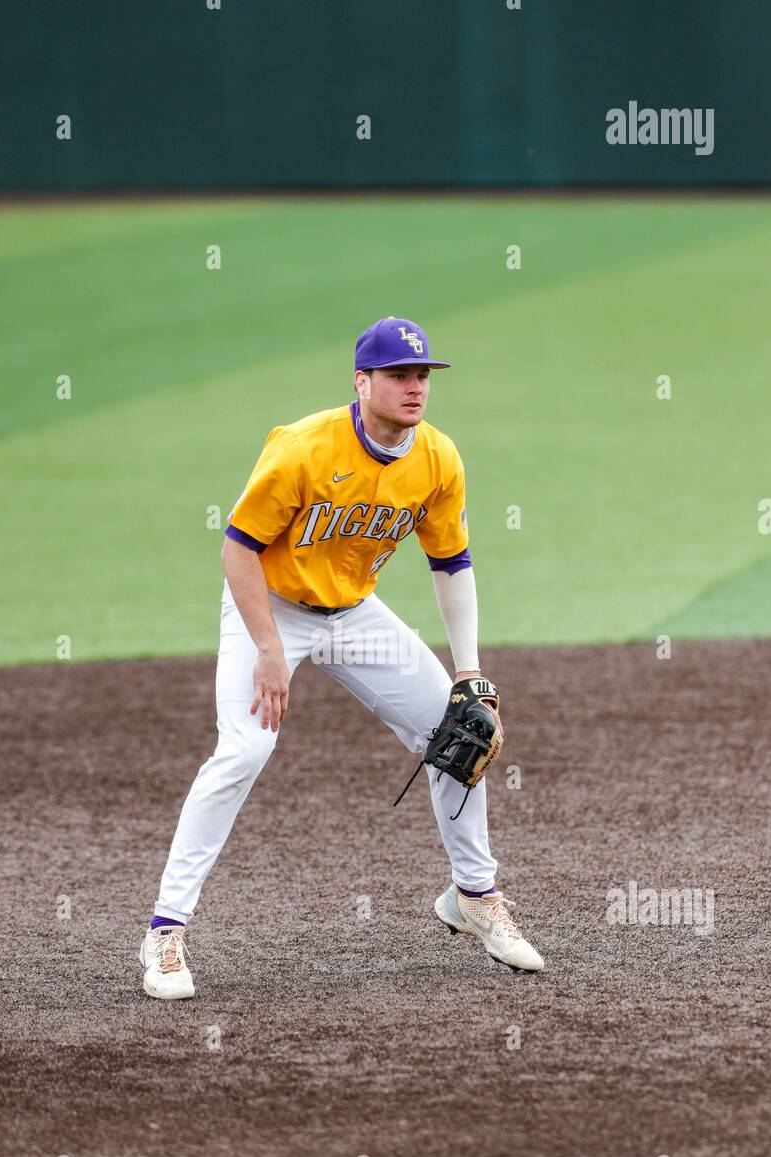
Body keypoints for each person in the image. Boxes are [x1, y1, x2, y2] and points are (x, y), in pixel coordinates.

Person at [140, 316, 544, 998]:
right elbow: (237, 549)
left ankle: (474, 896)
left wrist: (469, 668)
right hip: (271, 608)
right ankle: (164, 934)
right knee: (243, 751)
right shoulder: (302, 448)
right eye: (399, 376)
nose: (415, 387)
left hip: (354, 614)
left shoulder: (438, 457)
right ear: (363, 382)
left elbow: (452, 563)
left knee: (459, 730)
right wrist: (269, 648)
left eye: (423, 375)